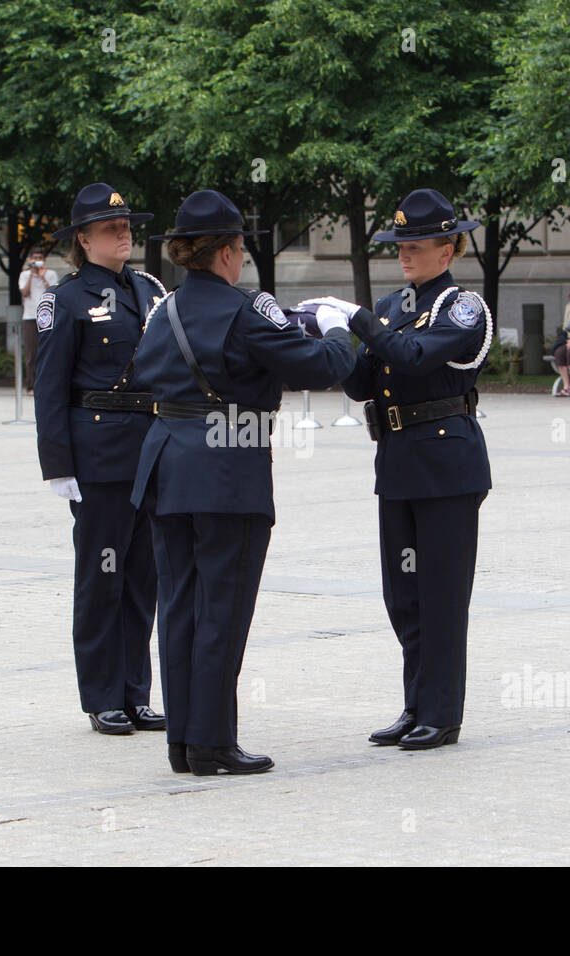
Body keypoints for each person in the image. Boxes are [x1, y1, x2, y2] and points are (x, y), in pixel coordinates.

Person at [130, 190, 355, 775]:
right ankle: (211, 743)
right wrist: (335, 330)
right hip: (228, 465)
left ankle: (183, 741)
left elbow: (142, 373)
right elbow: (322, 368)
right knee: (222, 609)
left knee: (179, 606)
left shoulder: (165, 308)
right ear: (229, 251)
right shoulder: (247, 309)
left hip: (166, 462)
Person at [302, 188, 493, 751]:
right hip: (399, 461)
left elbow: (412, 358)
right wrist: (334, 336)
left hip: (446, 463)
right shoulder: (391, 308)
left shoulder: (462, 308)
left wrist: (359, 321)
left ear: (449, 248)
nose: (405, 253)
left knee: (441, 594)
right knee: (402, 595)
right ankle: (415, 704)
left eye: (416, 243)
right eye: (399, 243)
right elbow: (364, 383)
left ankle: (442, 712)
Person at [33, 183, 167, 736]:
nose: (123, 234)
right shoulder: (63, 301)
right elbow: (48, 388)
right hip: (98, 454)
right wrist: (58, 466)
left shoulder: (148, 289)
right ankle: (102, 695)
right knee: (101, 577)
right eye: (111, 229)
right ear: (84, 240)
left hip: (149, 449)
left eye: (127, 226)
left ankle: (136, 692)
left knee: (142, 578)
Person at [18, 247, 59, 391]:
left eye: (39, 259)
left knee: (49, 351)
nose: (37, 261)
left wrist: (42, 276)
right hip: (30, 316)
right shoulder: (24, 275)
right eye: (34, 259)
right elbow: (24, 292)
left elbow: (54, 294)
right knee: (31, 353)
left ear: (44, 260)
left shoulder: (51, 274)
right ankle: (31, 385)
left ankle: (48, 384)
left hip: (48, 317)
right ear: (30, 260)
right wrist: (31, 274)